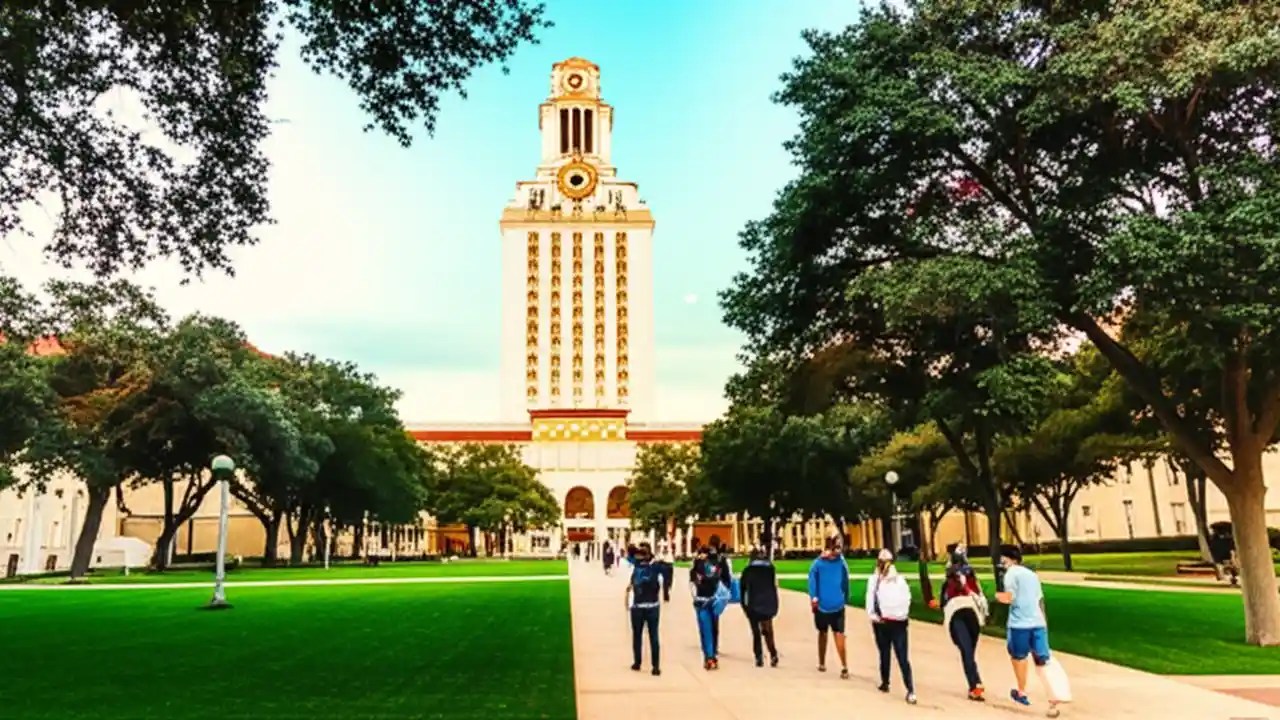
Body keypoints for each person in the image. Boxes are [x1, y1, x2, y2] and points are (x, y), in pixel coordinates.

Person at [996, 545, 1062, 717]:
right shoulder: (1032, 575)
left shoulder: (1010, 574)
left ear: (1008, 559)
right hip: (1038, 622)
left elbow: (1010, 598)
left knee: (1018, 656)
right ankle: (1053, 700)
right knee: (1042, 661)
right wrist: (1044, 622)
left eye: (1002, 558)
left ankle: (1021, 691)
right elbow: (1040, 600)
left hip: (1019, 624)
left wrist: (996, 597)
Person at [936, 544, 988, 701]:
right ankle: (975, 683)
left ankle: (974, 685)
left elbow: (944, 602)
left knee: (967, 651)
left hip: (960, 613)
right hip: (971, 614)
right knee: (968, 651)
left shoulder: (953, 578)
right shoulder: (970, 575)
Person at [867, 548, 917, 704]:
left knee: (886, 653)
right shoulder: (899, 579)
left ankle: (887, 683)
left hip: (884, 621)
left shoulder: (877, 580)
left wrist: (873, 616)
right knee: (900, 656)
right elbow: (907, 598)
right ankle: (908, 689)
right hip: (897, 622)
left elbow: (870, 600)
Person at [807, 537, 850, 678]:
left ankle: (822, 662)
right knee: (837, 634)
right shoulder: (840, 563)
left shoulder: (817, 563)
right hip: (836, 603)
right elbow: (845, 582)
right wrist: (845, 597)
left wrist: (814, 598)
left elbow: (812, 583)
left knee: (823, 633)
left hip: (823, 605)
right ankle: (843, 666)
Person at [624, 542, 663, 676]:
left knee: (637, 635)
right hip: (653, 605)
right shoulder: (655, 567)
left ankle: (637, 662)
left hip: (638, 606)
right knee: (654, 636)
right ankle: (656, 666)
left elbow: (629, 553)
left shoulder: (635, 566)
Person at [739, 547, 780, 667]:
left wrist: (744, 605)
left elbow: (743, 589)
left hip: (753, 604)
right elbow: (774, 587)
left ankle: (759, 657)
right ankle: (773, 653)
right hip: (768, 603)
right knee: (768, 630)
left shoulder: (747, 571)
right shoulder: (770, 569)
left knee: (756, 632)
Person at [690, 545, 728, 669]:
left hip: (702, 600)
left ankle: (709, 656)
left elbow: (692, 581)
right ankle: (713, 652)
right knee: (713, 626)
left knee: (705, 629)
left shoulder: (698, 564)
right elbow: (727, 580)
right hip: (715, 599)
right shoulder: (720, 563)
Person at [653, 539, 675, 603]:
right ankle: (656, 595)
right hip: (661, 565)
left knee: (666, 583)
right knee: (656, 581)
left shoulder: (669, 553)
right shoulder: (660, 552)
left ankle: (666, 597)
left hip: (667, 566)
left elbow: (671, 563)